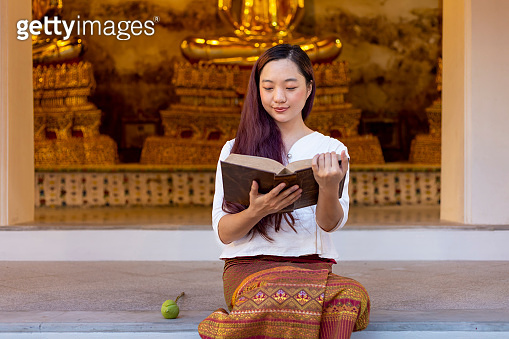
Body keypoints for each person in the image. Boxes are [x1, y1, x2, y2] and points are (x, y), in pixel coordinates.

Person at [198, 44, 370, 339]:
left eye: (290, 87)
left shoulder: (330, 150)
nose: (279, 98)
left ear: (309, 88)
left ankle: (236, 327)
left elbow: (329, 224)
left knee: (351, 295)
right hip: (250, 269)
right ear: (258, 90)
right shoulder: (235, 150)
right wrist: (257, 210)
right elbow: (224, 233)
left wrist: (328, 187)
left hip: (311, 268)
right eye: (268, 88)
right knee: (282, 296)